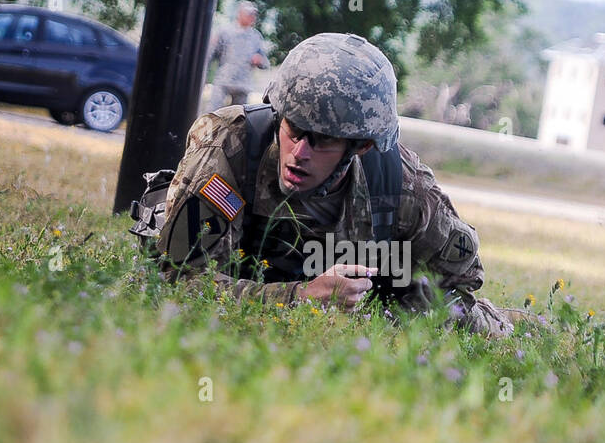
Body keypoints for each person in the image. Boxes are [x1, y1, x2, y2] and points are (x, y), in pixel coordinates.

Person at [157, 32, 514, 337]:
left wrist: (390, 320)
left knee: (485, 323)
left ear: (360, 147)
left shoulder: (401, 185)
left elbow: (460, 282)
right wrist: (302, 297)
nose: (300, 152)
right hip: (255, 273)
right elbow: (182, 281)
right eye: (294, 130)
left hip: (370, 293)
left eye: (323, 140)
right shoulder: (228, 148)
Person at [205, 2, 269, 109]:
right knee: (213, 114)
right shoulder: (225, 32)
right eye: (248, 14)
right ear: (239, 14)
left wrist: (260, 60)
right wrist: (205, 78)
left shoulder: (256, 37)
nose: (252, 17)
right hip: (224, 82)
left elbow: (266, 64)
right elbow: (210, 55)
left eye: (253, 15)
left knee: (238, 120)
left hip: (243, 85)